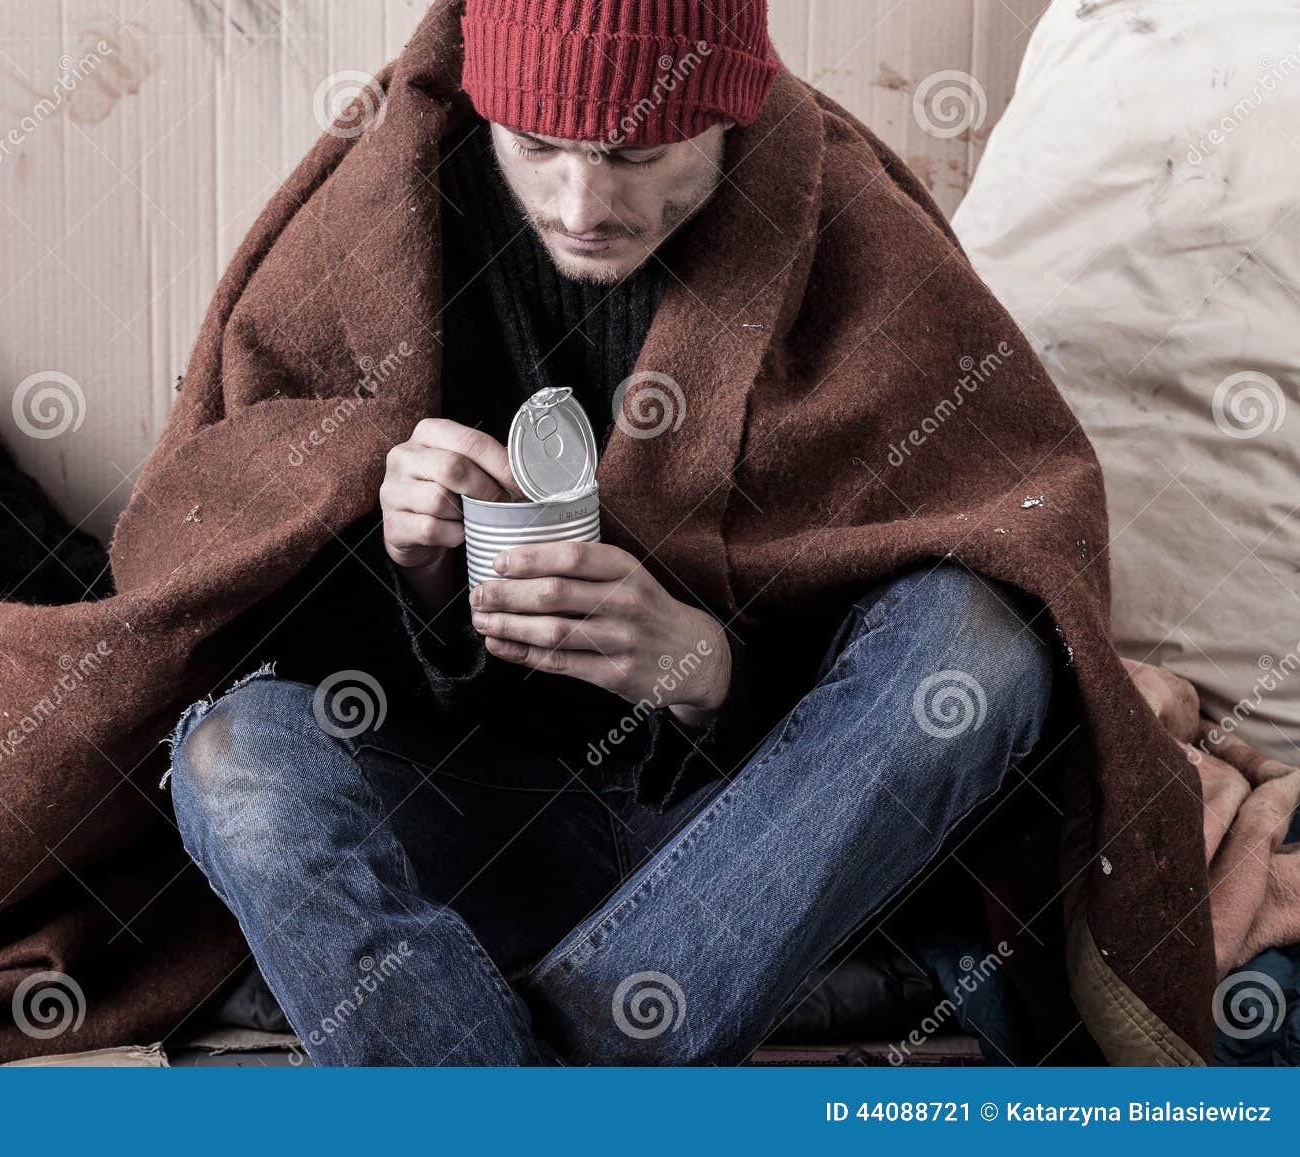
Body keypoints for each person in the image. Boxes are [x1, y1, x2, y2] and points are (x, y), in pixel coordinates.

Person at [168, 0, 1054, 1065]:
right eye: (535, 145)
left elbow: (1009, 543)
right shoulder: (385, 199)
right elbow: (218, 573)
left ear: (727, 112)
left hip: (759, 844)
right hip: (469, 824)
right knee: (235, 753)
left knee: (976, 646)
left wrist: (711, 667)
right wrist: (417, 578)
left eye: (636, 153)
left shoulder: (847, 227)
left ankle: (493, 1075)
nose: (581, 203)